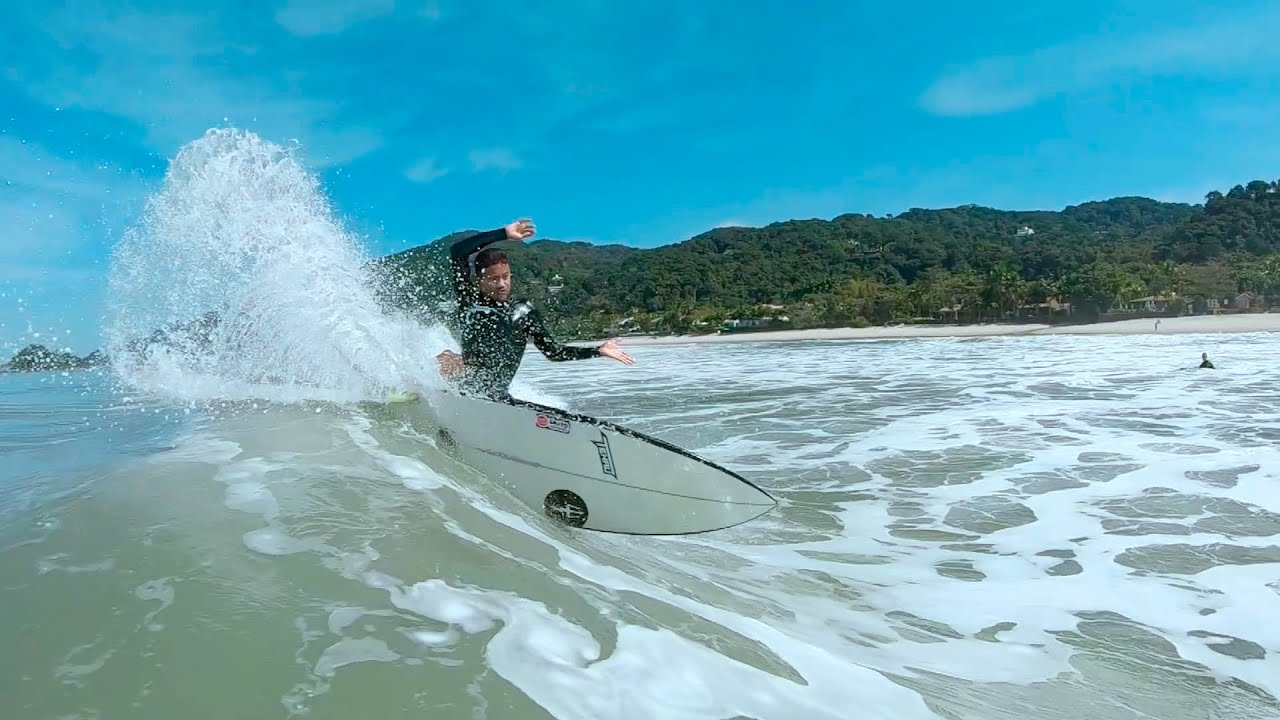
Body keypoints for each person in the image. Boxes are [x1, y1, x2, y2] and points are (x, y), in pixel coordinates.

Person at [435, 218, 634, 400]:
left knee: (454, 361)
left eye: (506, 276)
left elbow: (553, 352)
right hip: (464, 390)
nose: (502, 284)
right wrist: (503, 233)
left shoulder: (522, 313)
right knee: (442, 360)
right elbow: (458, 252)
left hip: (496, 398)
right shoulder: (468, 300)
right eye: (494, 279)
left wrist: (598, 351)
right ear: (479, 281)